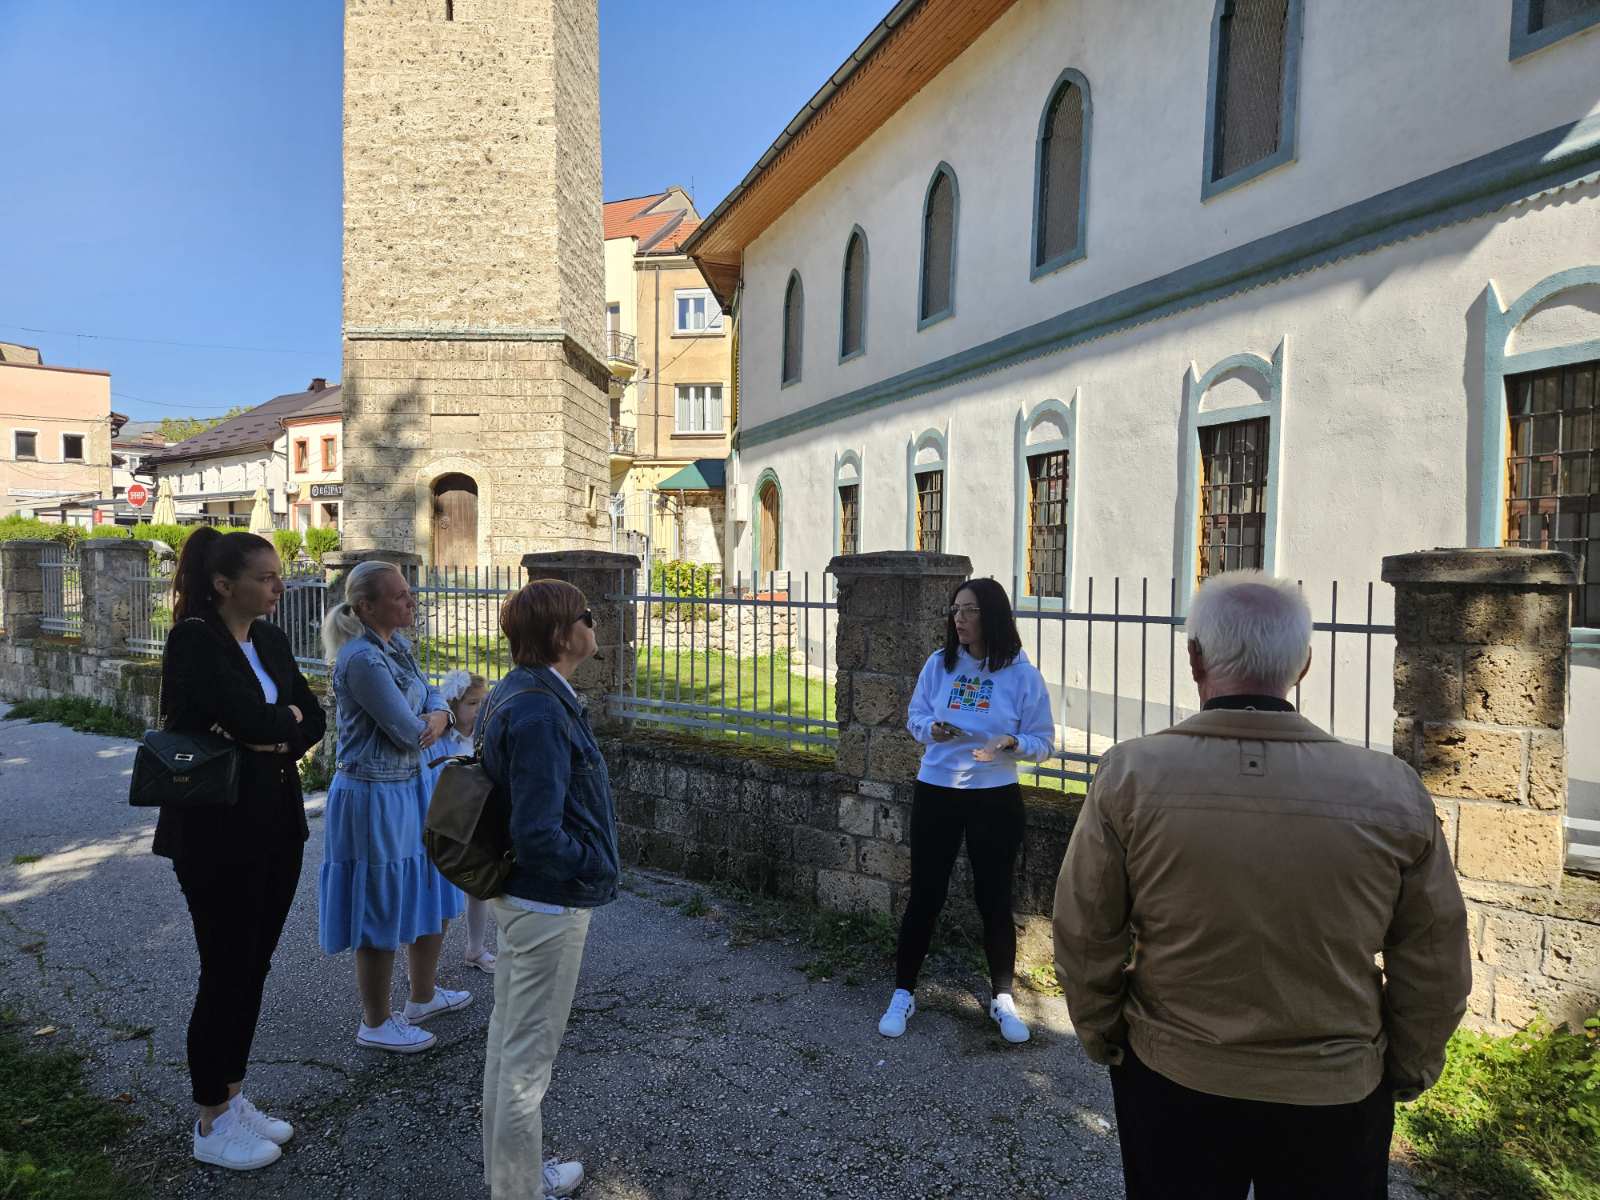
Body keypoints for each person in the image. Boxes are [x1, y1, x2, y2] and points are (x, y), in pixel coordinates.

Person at [1053, 570, 1471, 1200]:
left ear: (1194, 658)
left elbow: (1085, 931)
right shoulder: (1389, 790)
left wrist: (1105, 1034)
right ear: (1303, 664)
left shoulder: (1131, 776)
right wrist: (1405, 1065)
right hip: (1334, 1087)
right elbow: (1435, 957)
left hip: (1175, 1072)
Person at [156, 528, 327, 1171]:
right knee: (224, 969)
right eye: (265, 577)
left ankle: (231, 1095)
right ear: (225, 584)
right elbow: (256, 720)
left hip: (276, 823)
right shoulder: (195, 640)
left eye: (279, 576)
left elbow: (311, 717)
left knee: (252, 966)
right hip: (214, 831)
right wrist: (269, 725)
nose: (278, 587)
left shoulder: (272, 639)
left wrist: (274, 731)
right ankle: (209, 1122)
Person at [479, 579, 619, 1200]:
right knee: (525, 1065)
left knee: (509, 1049)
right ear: (563, 635)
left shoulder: (526, 690)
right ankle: (516, 1191)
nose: (595, 624)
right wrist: (590, 860)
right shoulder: (538, 708)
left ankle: (513, 1175)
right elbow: (536, 832)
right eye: (586, 617)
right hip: (547, 904)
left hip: (525, 899)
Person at [880, 577, 1055, 1044]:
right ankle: (903, 992)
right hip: (937, 789)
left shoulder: (1022, 675)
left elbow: (1044, 742)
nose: (958, 618)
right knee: (925, 896)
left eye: (970, 610)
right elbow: (914, 716)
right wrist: (930, 730)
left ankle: (1002, 998)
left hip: (995, 796)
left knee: (994, 898)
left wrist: (1012, 743)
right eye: (955, 609)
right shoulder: (940, 665)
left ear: (992, 615)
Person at [319, 560, 470, 1054]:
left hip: (410, 785)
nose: (411, 601)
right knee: (381, 902)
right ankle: (376, 1021)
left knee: (429, 885)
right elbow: (408, 731)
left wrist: (440, 713)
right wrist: (440, 717)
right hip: (373, 794)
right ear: (366, 607)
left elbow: (430, 697)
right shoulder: (361, 659)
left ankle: (422, 997)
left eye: (409, 593)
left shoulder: (395, 648)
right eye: (400, 596)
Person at [433, 670, 497, 972]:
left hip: (477, 820)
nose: (478, 710)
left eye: (482, 704)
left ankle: (475, 948)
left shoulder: (485, 736)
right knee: (437, 892)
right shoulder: (442, 741)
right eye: (472, 704)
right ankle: (424, 963)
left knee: (478, 888)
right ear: (453, 705)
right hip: (445, 823)